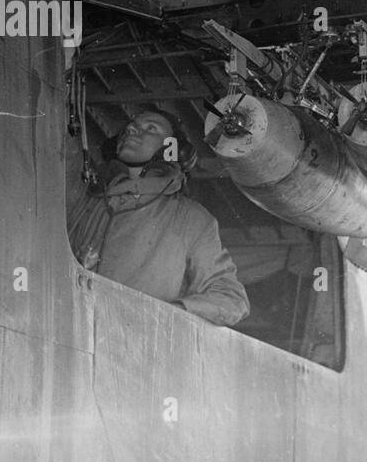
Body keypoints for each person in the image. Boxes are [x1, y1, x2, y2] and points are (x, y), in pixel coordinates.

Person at [68, 109, 250, 327]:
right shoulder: (87, 201)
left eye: (150, 128)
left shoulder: (190, 218)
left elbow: (231, 299)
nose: (131, 130)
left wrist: (167, 314)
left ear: (173, 149)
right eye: (130, 127)